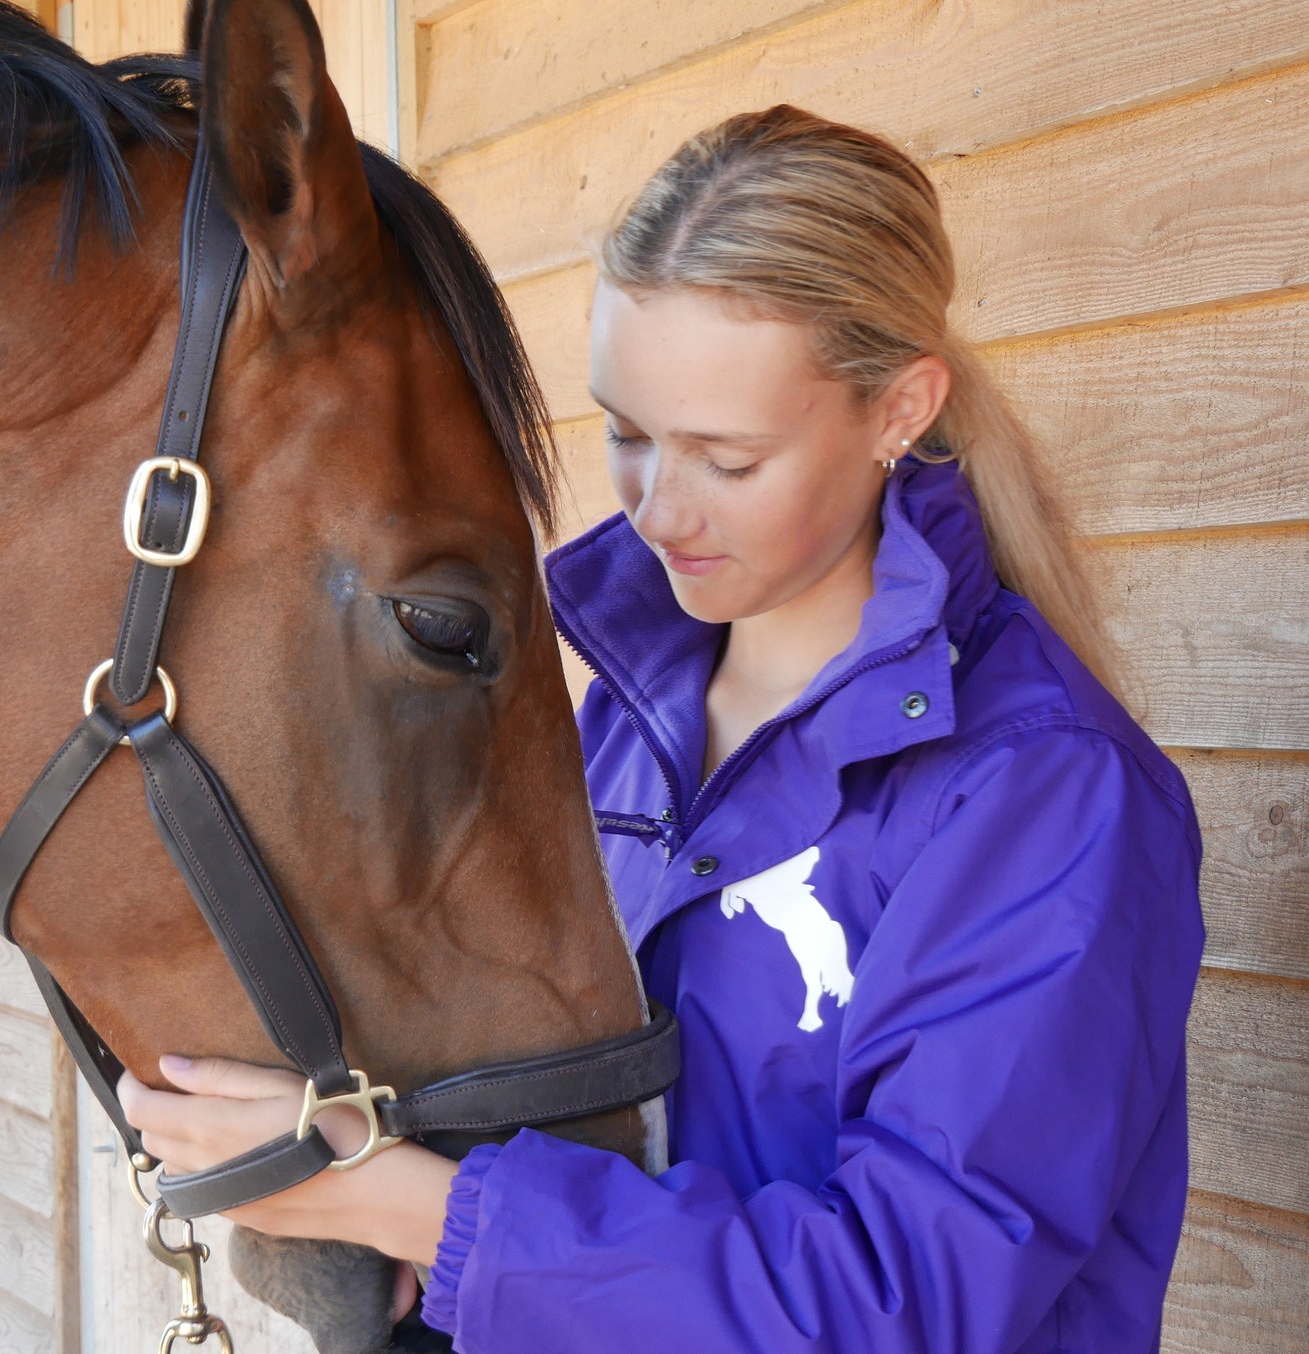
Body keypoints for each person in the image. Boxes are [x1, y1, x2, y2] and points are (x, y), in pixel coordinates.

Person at [117, 104, 1205, 1352]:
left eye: (725, 460)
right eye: (626, 436)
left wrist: (421, 1207)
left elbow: (903, 1301)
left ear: (898, 410)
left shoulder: (1046, 796)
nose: (659, 510)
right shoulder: (626, 722)